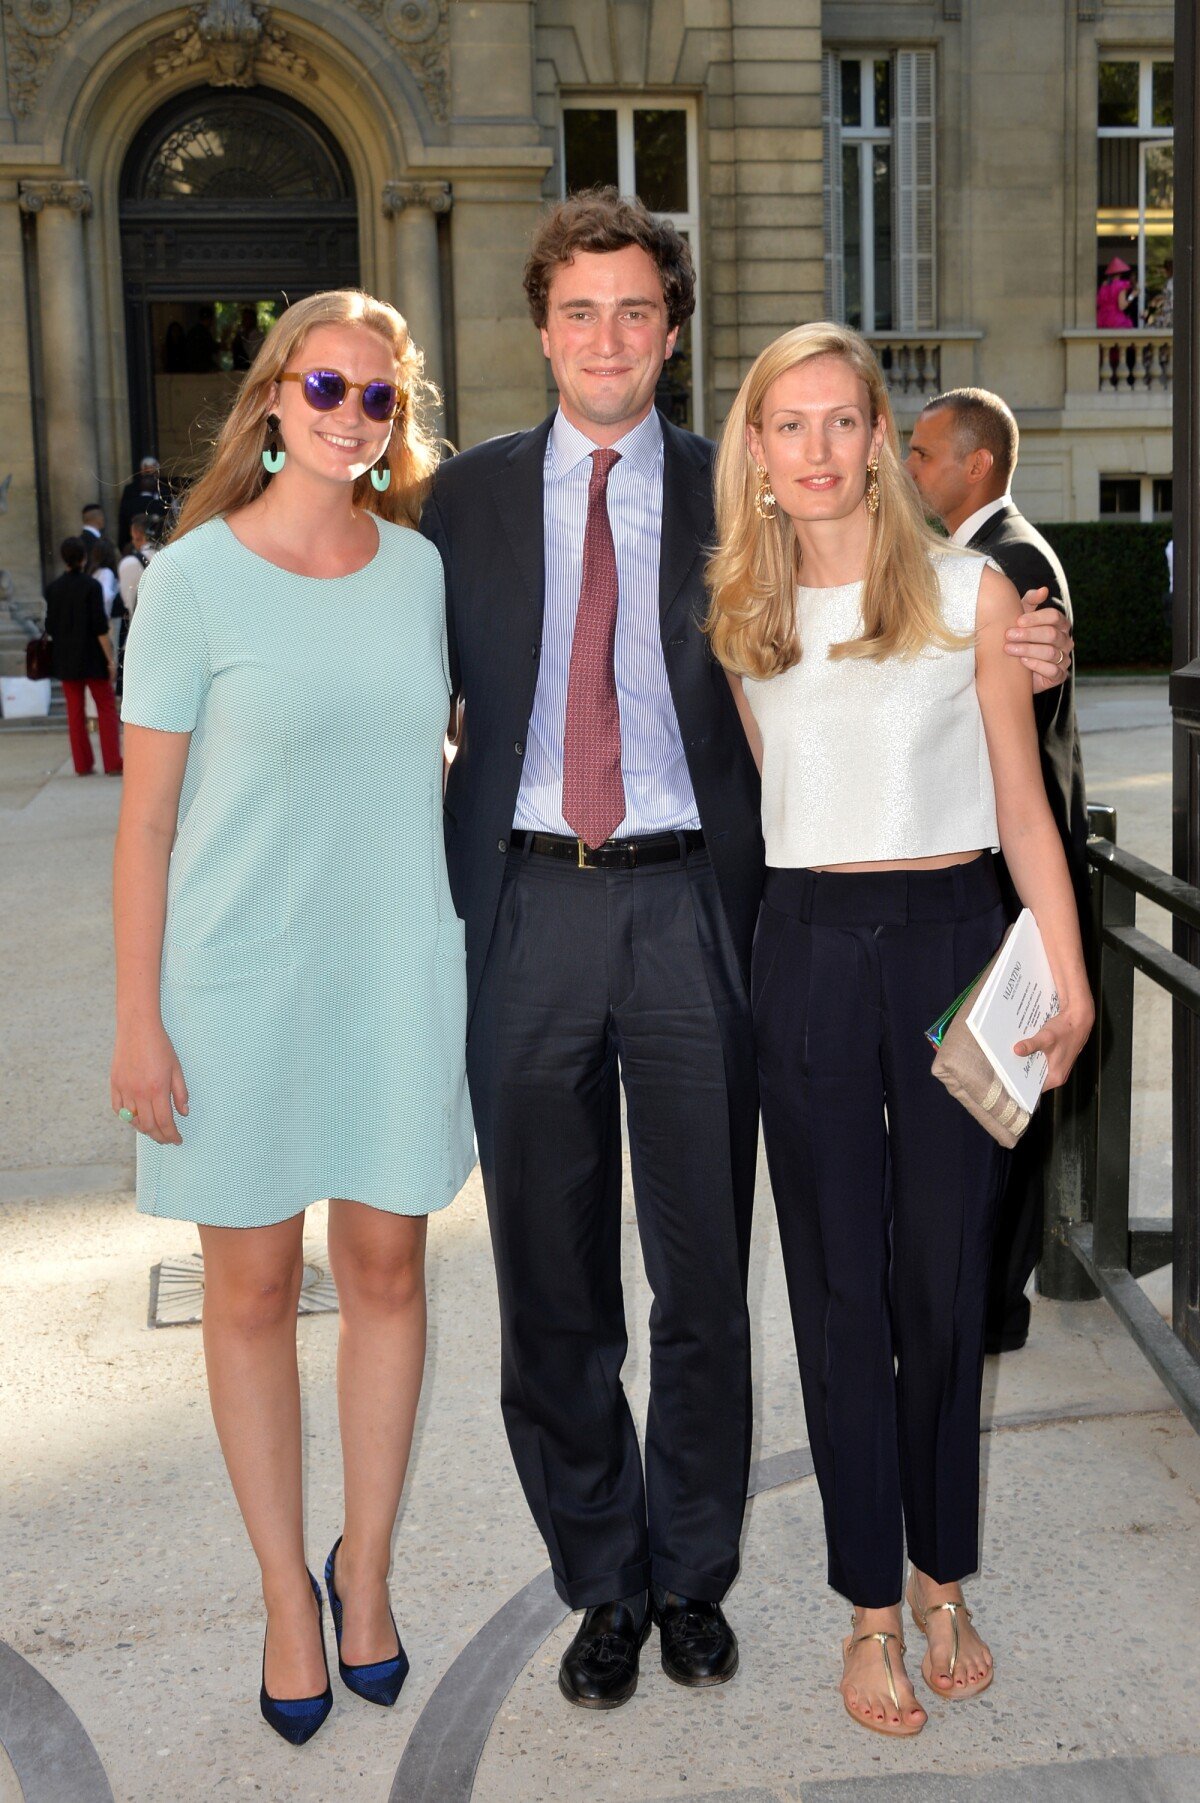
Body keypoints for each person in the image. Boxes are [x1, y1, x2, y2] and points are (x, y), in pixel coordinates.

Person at [419, 187, 1076, 1713]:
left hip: (703, 918)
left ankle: (695, 1572)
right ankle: (604, 1574)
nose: (607, 336)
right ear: (540, 327)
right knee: (550, 1276)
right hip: (525, 907)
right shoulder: (462, 501)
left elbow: (916, 601)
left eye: (636, 310)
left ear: (672, 333)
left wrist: (1028, 639)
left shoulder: (746, 494)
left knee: (705, 1274)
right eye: (579, 310)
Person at [707, 324, 1093, 1739]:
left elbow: (1021, 799)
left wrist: (1064, 966)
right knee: (834, 1292)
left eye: (840, 419)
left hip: (951, 946)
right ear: (756, 448)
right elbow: (781, 793)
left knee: (939, 1283)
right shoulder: (740, 613)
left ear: (878, 434)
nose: (814, 447)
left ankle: (943, 1576)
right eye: (785, 423)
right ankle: (870, 1603)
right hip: (805, 952)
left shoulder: (972, 591)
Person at [112, 288, 474, 1745]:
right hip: (237, 974)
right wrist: (139, 1020)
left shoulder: (422, 573)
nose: (347, 412)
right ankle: (283, 1589)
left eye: (377, 397)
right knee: (253, 1291)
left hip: (395, 963)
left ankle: (365, 1570)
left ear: (399, 424)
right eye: (324, 385)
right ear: (272, 396)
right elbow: (144, 825)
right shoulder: (192, 579)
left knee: (387, 1270)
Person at [906, 386, 1089, 1353]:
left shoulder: (1002, 560)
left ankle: (985, 1308)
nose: (910, 465)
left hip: (1008, 881)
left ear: (976, 462)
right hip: (1017, 873)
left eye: (925, 451)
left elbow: (1005, 738)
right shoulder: (1005, 549)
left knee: (994, 1100)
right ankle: (983, 1303)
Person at [43, 536, 122, 776]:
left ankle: (82, 764)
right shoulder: (91, 586)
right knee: (106, 707)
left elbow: (51, 625)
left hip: (66, 657)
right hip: (92, 655)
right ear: (84, 557)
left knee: (74, 711)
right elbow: (99, 627)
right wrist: (110, 659)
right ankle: (112, 762)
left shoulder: (53, 589)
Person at [118, 456, 172, 551]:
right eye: (147, 472)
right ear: (142, 471)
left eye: (153, 471)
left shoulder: (165, 490)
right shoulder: (131, 490)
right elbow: (123, 517)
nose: (150, 475)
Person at [1096, 256, 1137, 328]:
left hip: (1102, 319)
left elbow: (1098, 303)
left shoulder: (1104, 286)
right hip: (1116, 320)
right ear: (1120, 273)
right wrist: (1132, 295)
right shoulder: (1121, 285)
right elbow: (1122, 306)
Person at [232, 306, 266, 371]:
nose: (244, 321)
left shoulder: (259, 336)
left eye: (247, 318)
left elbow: (255, 356)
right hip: (240, 370)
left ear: (253, 320)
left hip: (255, 370)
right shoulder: (240, 335)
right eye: (243, 318)